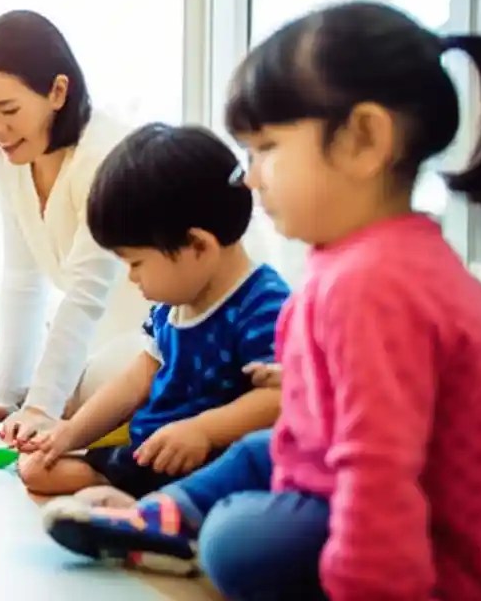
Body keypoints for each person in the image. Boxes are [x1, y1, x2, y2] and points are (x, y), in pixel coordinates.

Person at [41, 1, 481, 601]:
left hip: (426, 555)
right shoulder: (380, 262)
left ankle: (192, 529)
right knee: (266, 447)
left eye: (266, 150)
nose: (251, 178)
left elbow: (381, 474)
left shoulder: (371, 284)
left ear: (364, 139)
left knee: (235, 540)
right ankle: (165, 516)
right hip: (353, 486)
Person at [19, 124, 288, 497]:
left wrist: (204, 430)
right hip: (148, 455)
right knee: (38, 470)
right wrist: (70, 433)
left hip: (214, 462)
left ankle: (153, 508)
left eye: (136, 263)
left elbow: (280, 398)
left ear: (198, 246)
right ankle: (130, 498)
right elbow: (134, 382)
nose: (131, 278)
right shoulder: (171, 307)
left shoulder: (263, 305)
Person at [0, 10, 151, 444]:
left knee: (95, 396)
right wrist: (11, 397)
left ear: (58, 91)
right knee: (77, 395)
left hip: (151, 334)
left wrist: (41, 406)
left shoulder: (104, 156)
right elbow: (22, 279)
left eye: (9, 109)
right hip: (103, 337)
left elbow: (87, 291)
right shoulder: (9, 159)